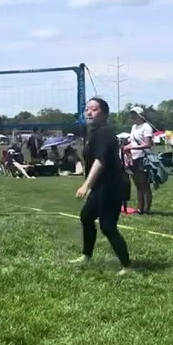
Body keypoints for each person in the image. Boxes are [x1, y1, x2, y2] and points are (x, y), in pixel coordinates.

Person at [72, 97, 133, 275]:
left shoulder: (104, 133)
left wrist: (86, 185)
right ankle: (87, 255)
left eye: (94, 109)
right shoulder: (94, 133)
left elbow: (100, 161)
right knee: (86, 216)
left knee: (107, 226)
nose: (89, 112)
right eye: (87, 109)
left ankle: (126, 266)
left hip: (111, 186)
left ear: (104, 114)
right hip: (101, 186)